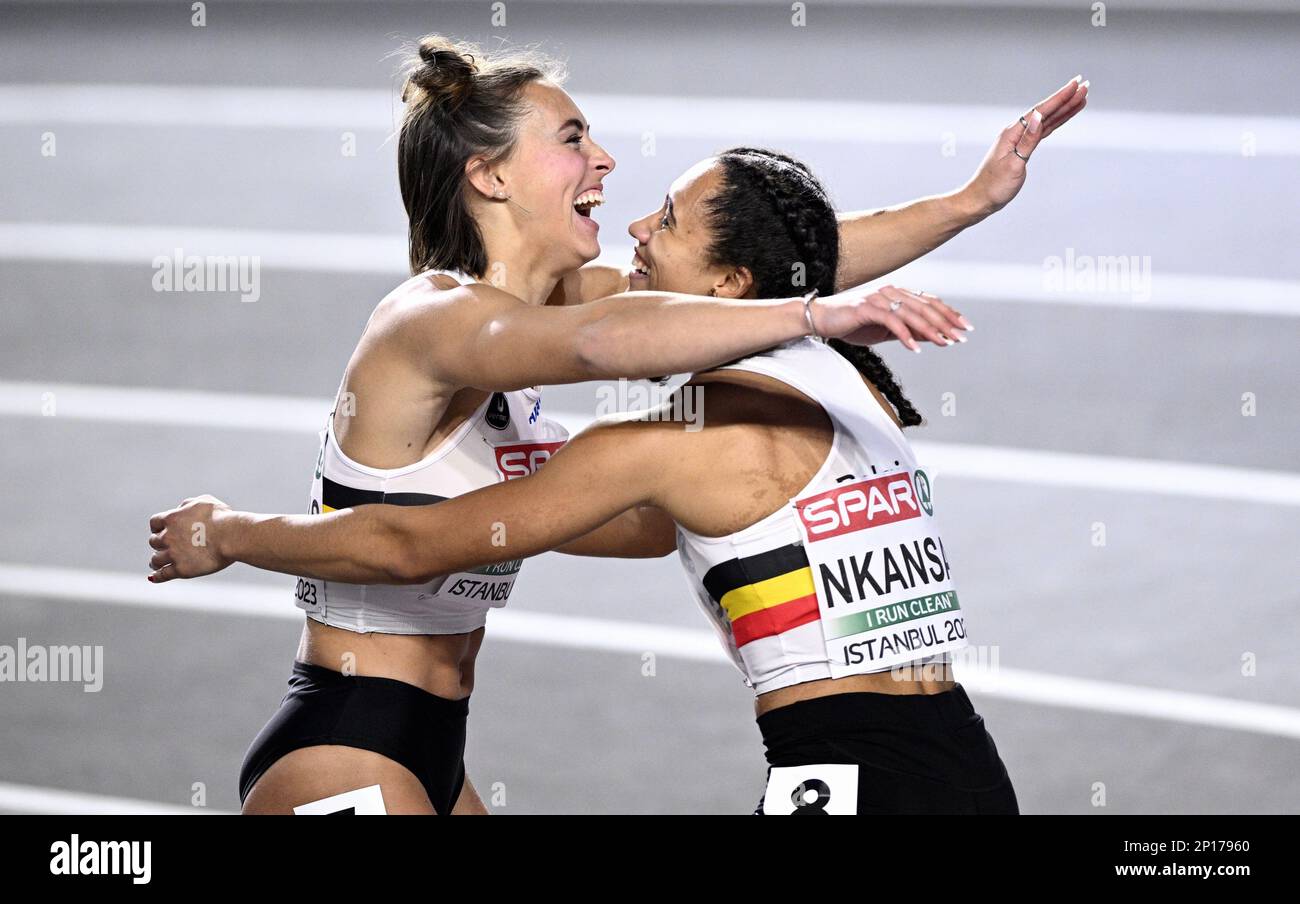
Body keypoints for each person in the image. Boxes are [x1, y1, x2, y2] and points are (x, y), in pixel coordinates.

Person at [149, 137, 1088, 813]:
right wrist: (956, 211)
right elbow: (770, 273)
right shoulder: (845, 381)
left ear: (730, 286)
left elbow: (410, 541)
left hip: (842, 779)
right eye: (575, 140)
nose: (627, 207)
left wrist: (228, 533)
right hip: (963, 761)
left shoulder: (674, 436)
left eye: (668, 220)